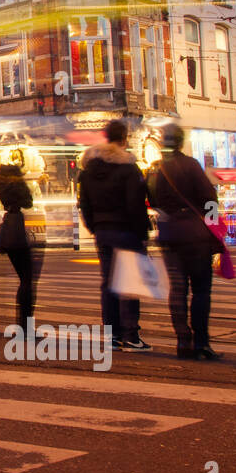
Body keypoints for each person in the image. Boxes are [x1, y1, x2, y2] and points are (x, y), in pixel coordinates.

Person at [147, 124, 221, 360]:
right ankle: (201, 342)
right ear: (180, 141)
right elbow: (210, 199)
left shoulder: (157, 170)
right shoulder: (190, 165)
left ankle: (182, 340)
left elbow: (154, 201)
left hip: (170, 235)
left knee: (177, 290)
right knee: (200, 290)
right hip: (194, 236)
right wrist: (212, 227)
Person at [78, 119, 152, 351]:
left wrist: (95, 227)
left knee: (108, 283)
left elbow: (84, 205)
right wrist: (142, 234)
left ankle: (112, 335)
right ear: (124, 138)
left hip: (103, 232)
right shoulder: (129, 168)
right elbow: (136, 205)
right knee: (129, 282)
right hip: (126, 231)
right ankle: (131, 335)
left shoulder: (89, 170)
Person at [0, 163, 42, 326]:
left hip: (8, 227)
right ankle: (25, 325)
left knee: (23, 278)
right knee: (27, 280)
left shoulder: (0, 184)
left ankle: (22, 324)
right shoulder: (16, 184)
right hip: (17, 228)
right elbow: (28, 202)